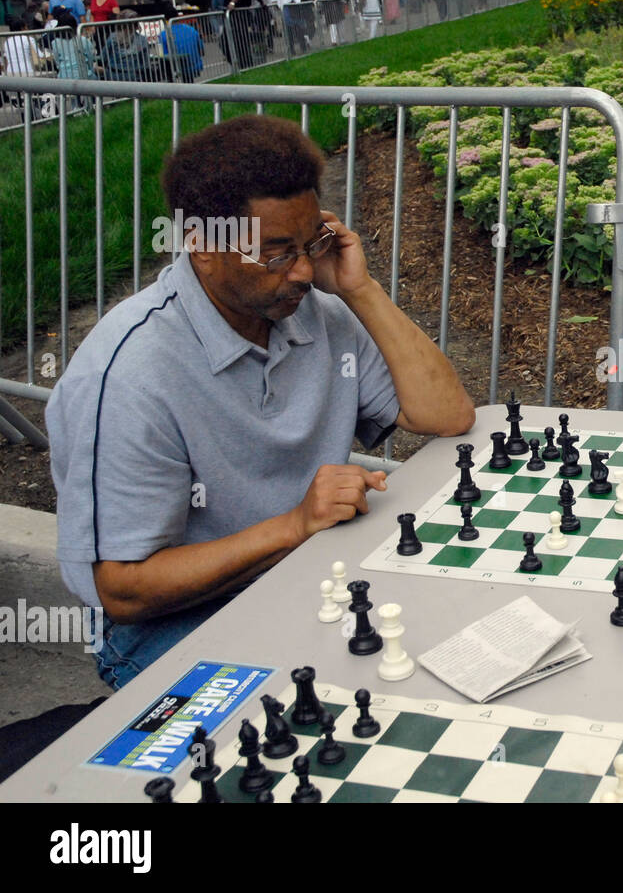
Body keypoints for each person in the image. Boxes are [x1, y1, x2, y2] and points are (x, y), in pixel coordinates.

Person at [47, 114, 474, 689]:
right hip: (173, 622)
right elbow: (123, 588)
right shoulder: (129, 373)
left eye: (311, 243)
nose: (302, 271)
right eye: (276, 253)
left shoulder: (316, 311)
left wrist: (359, 289)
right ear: (203, 249)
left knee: (441, 650)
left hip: (303, 573)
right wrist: (294, 525)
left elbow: (447, 416)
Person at [160, 13, 204, 82]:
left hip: (178, 68)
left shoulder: (164, 34)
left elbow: (164, 56)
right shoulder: (191, 29)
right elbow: (201, 49)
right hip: (195, 64)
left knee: (164, 63)